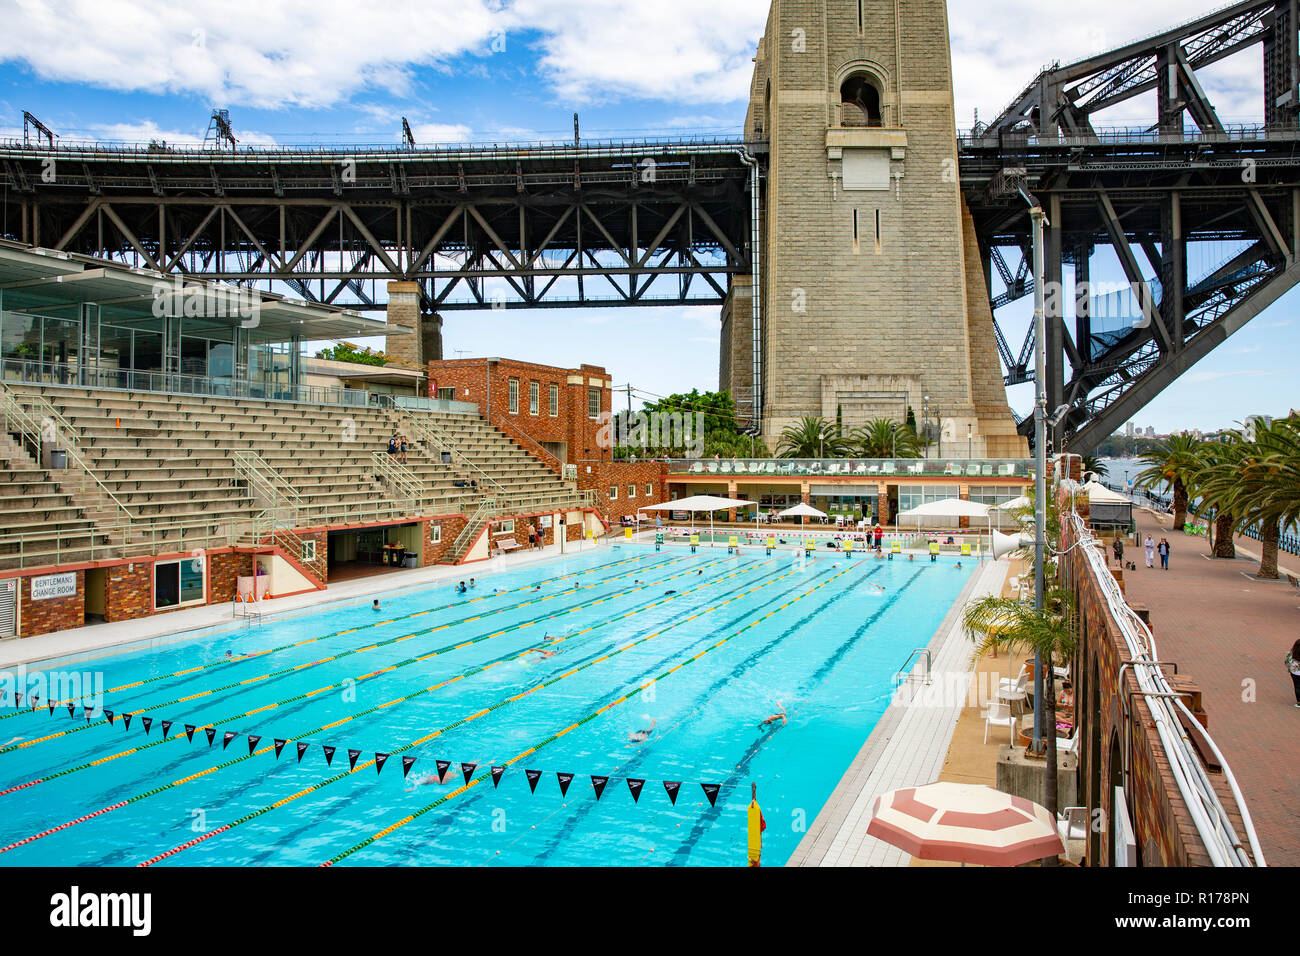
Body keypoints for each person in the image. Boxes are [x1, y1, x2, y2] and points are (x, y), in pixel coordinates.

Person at [1287, 639, 1300, 708]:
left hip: (1295, 672)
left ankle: (1299, 702)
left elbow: (1287, 661)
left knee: (1297, 686)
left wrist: (1289, 669)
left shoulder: (1292, 653)